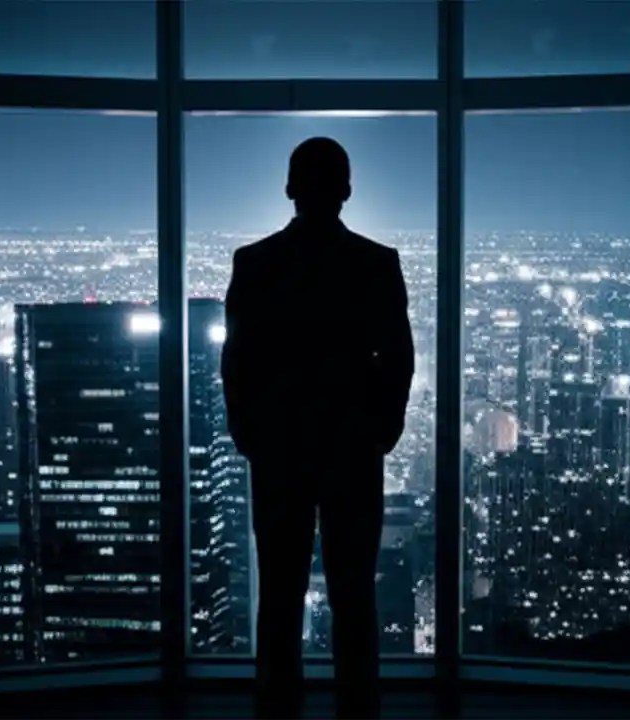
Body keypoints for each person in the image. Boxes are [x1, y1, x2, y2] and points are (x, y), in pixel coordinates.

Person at [221, 137, 414, 718]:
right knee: (353, 591)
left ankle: (277, 706)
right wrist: (382, 431)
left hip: (279, 449)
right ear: (348, 191)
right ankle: (359, 707)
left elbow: (238, 360)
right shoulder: (376, 264)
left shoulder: (255, 263)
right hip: (353, 449)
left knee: (280, 592)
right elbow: (398, 358)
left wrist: (248, 433)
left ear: (288, 188)